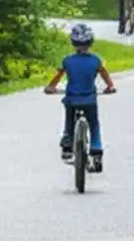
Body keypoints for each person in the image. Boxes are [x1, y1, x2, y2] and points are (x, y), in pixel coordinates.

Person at [45, 23, 116, 172]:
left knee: (69, 119)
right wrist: (110, 86)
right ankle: (96, 148)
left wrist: (50, 88)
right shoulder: (96, 60)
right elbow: (104, 74)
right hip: (89, 100)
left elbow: (58, 77)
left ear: (73, 43)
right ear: (91, 42)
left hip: (72, 99)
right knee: (94, 123)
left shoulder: (68, 60)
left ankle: (67, 142)